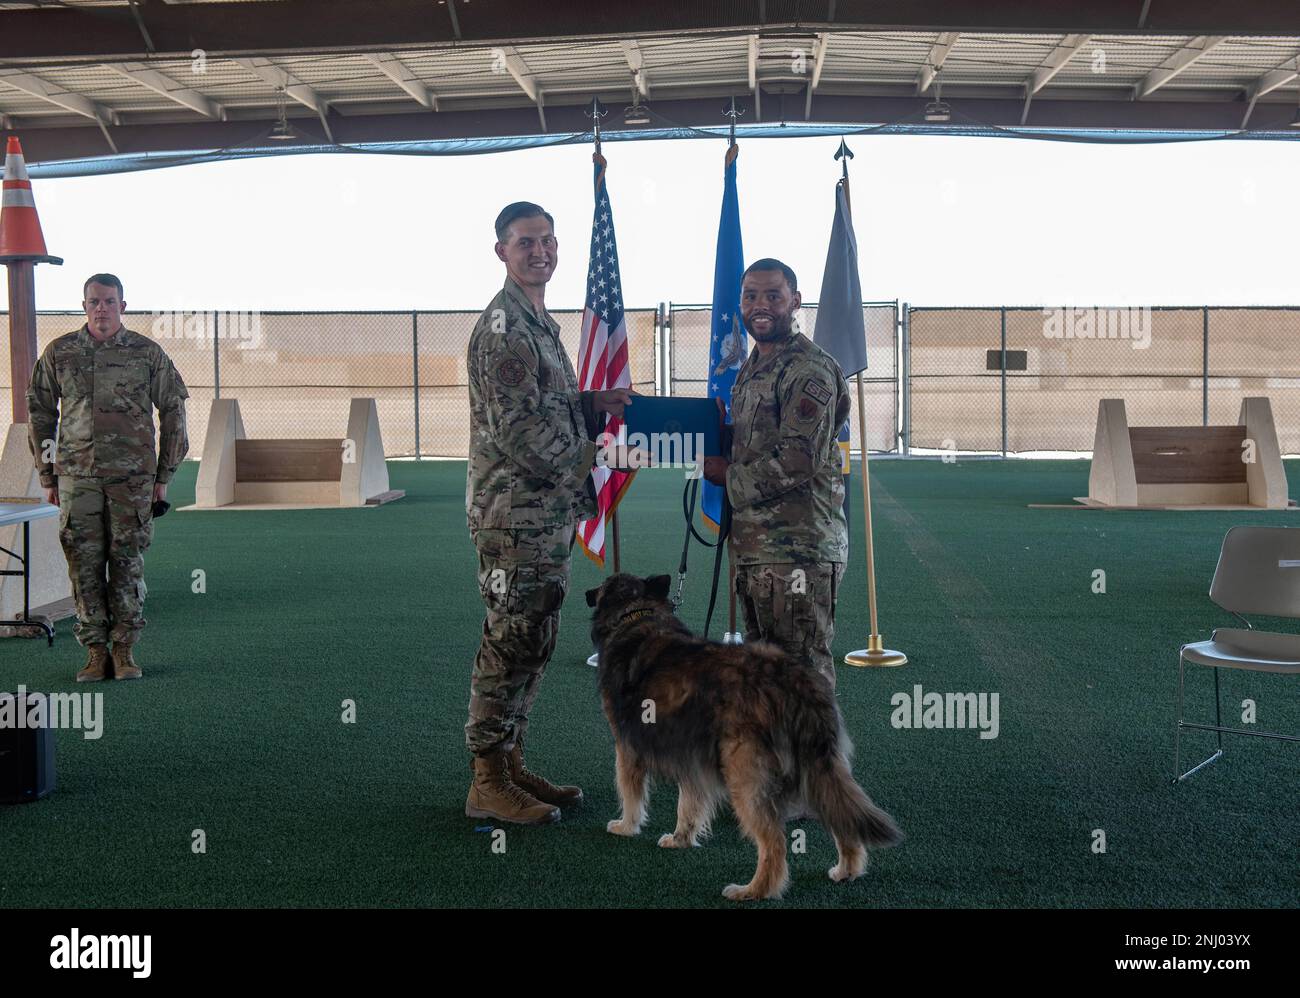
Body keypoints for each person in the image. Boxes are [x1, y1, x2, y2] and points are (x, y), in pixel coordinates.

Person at [464, 202, 632, 824]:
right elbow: (518, 430)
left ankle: (509, 763)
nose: (541, 251)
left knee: (533, 637)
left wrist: (594, 401)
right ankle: (486, 778)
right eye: (526, 242)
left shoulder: (538, 323)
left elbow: (548, 405)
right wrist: (600, 449)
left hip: (543, 515)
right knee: (509, 640)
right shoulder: (505, 327)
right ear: (502, 251)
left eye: (547, 241)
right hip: (514, 519)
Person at [26, 274, 189, 683]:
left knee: (126, 564)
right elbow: (40, 414)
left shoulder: (147, 353)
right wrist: (48, 474)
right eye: (95, 301)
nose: (102, 308)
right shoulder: (60, 353)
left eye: (110, 301)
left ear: (123, 306)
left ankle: (125, 650)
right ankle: (95, 652)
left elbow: (173, 412)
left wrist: (163, 474)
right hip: (77, 479)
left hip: (132, 480)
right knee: (83, 566)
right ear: (84, 305)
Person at [703, 258, 851, 687]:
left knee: (801, 681)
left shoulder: (807, 368)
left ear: (795, 301)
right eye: (751, 296)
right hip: (758, 549)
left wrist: (727, 476)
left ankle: (816, 757)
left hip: (796, 552)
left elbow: (798, 459)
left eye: (773, 295)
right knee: (766, 680)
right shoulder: (756, 364)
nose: (760, 305)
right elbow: (761, 440)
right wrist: (716, 430)